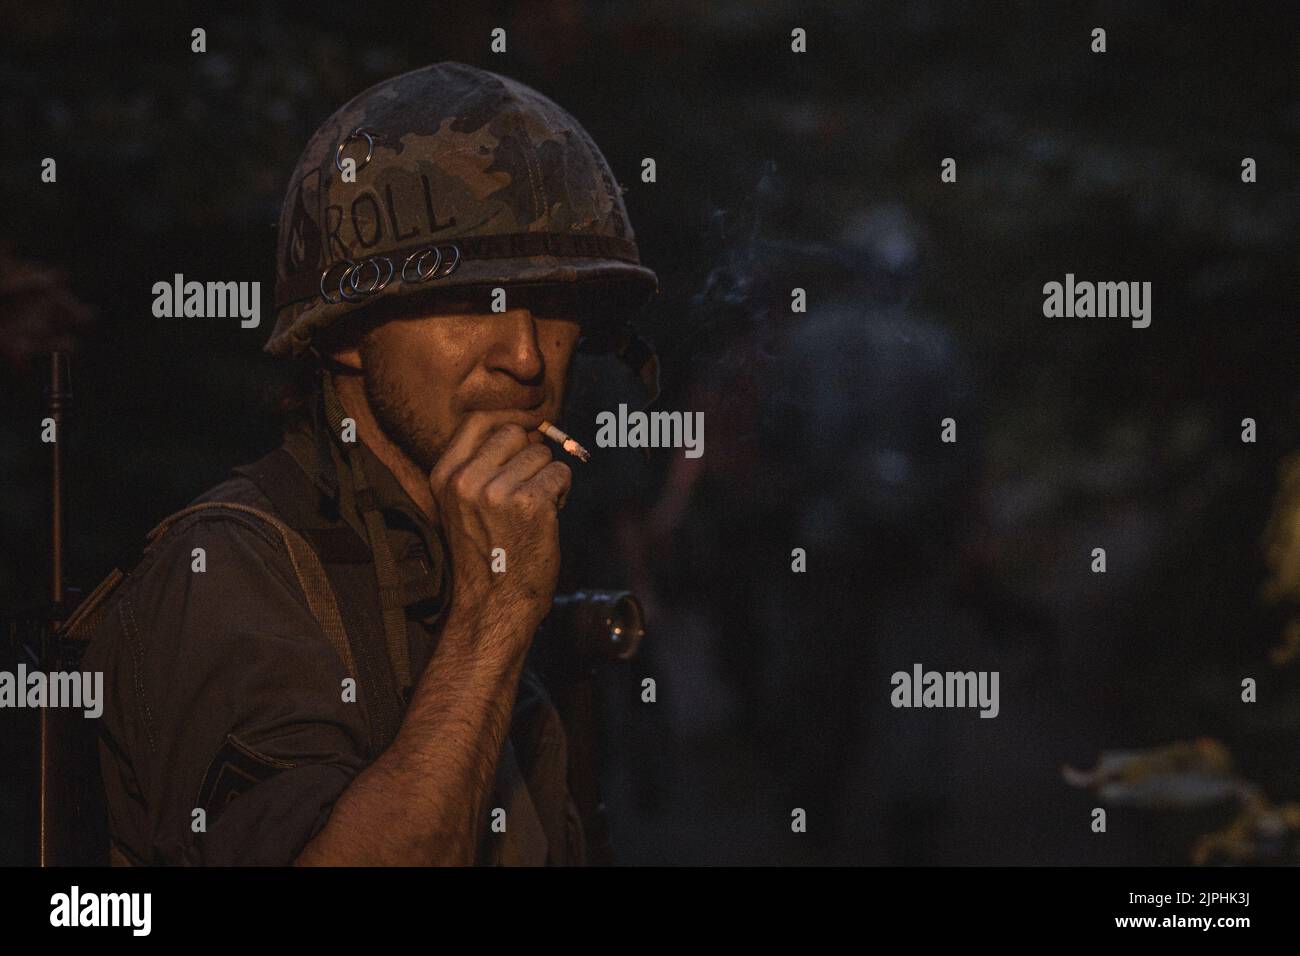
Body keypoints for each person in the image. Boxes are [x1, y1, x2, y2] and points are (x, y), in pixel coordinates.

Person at [78, 61, 658, 866]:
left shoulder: (478, 554)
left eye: (556, 305)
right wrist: (492, 619)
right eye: (468, 302)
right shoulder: (226, 572)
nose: (526, 356)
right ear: (347, 333)